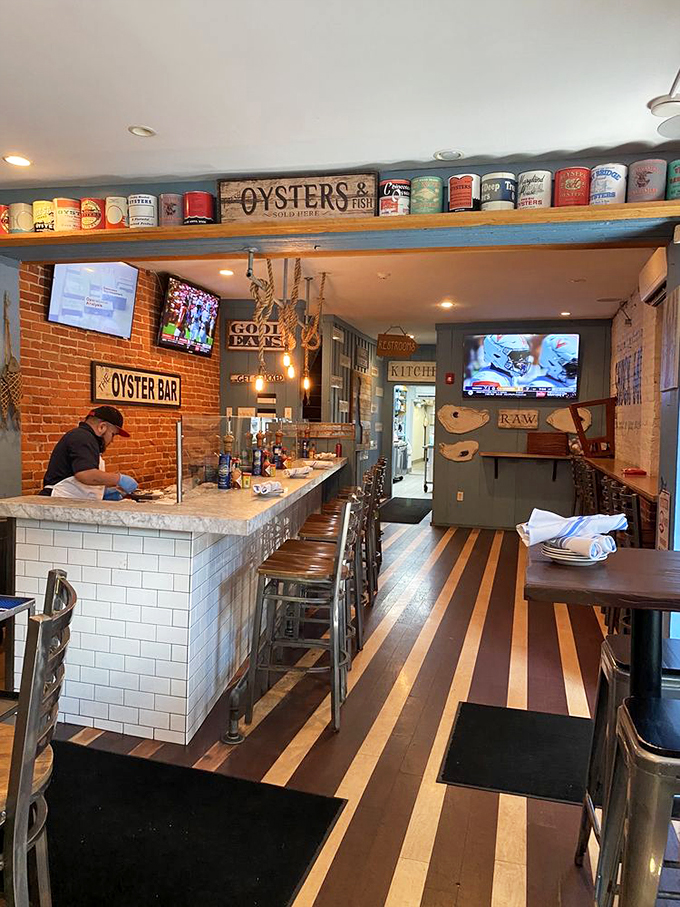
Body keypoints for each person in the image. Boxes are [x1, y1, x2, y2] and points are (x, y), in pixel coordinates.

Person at [41, 405, 138, 500]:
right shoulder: (83, 437)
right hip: (58, 501)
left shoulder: (86, 438)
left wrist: (101, 492)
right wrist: (118, 479)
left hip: (70, 502)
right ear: (102, 427)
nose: (112, 440)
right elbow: (85, 474)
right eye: (113, 434)